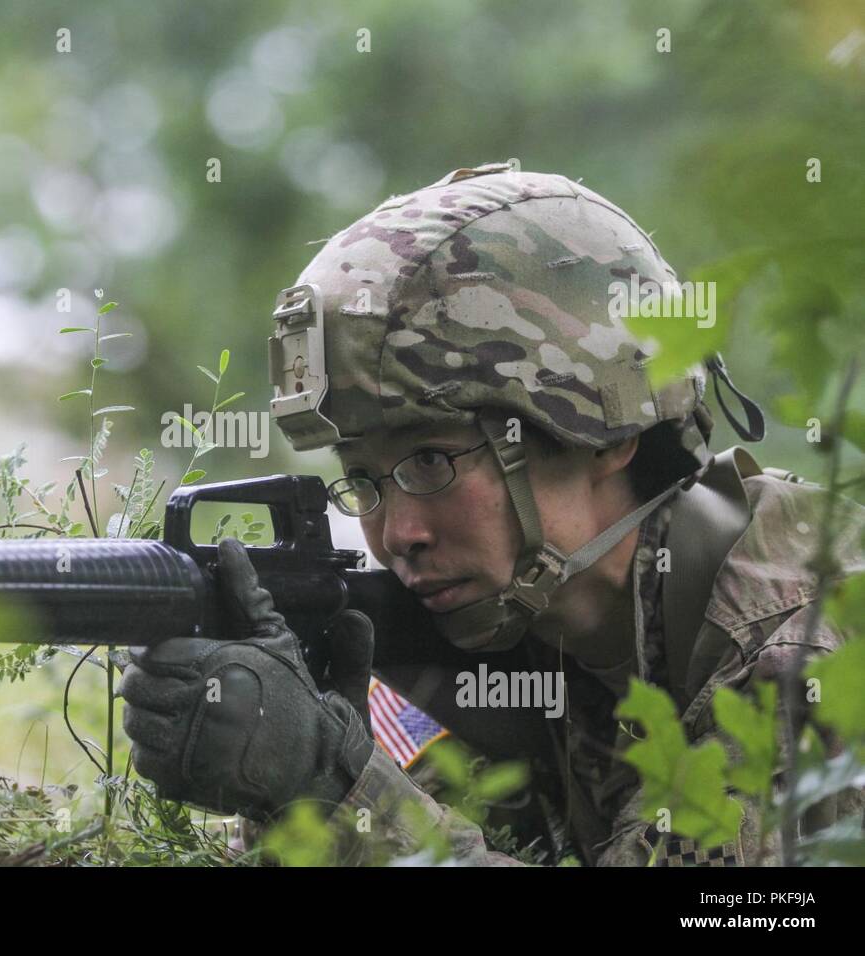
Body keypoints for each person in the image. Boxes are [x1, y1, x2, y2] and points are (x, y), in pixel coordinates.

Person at [120, 162, 865, 865]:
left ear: (605, 434)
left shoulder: (800, 662)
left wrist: (332, 781)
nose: (394, 535)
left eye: (431, 464)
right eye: (363, 479)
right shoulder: (529, 632)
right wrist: (285, 777)